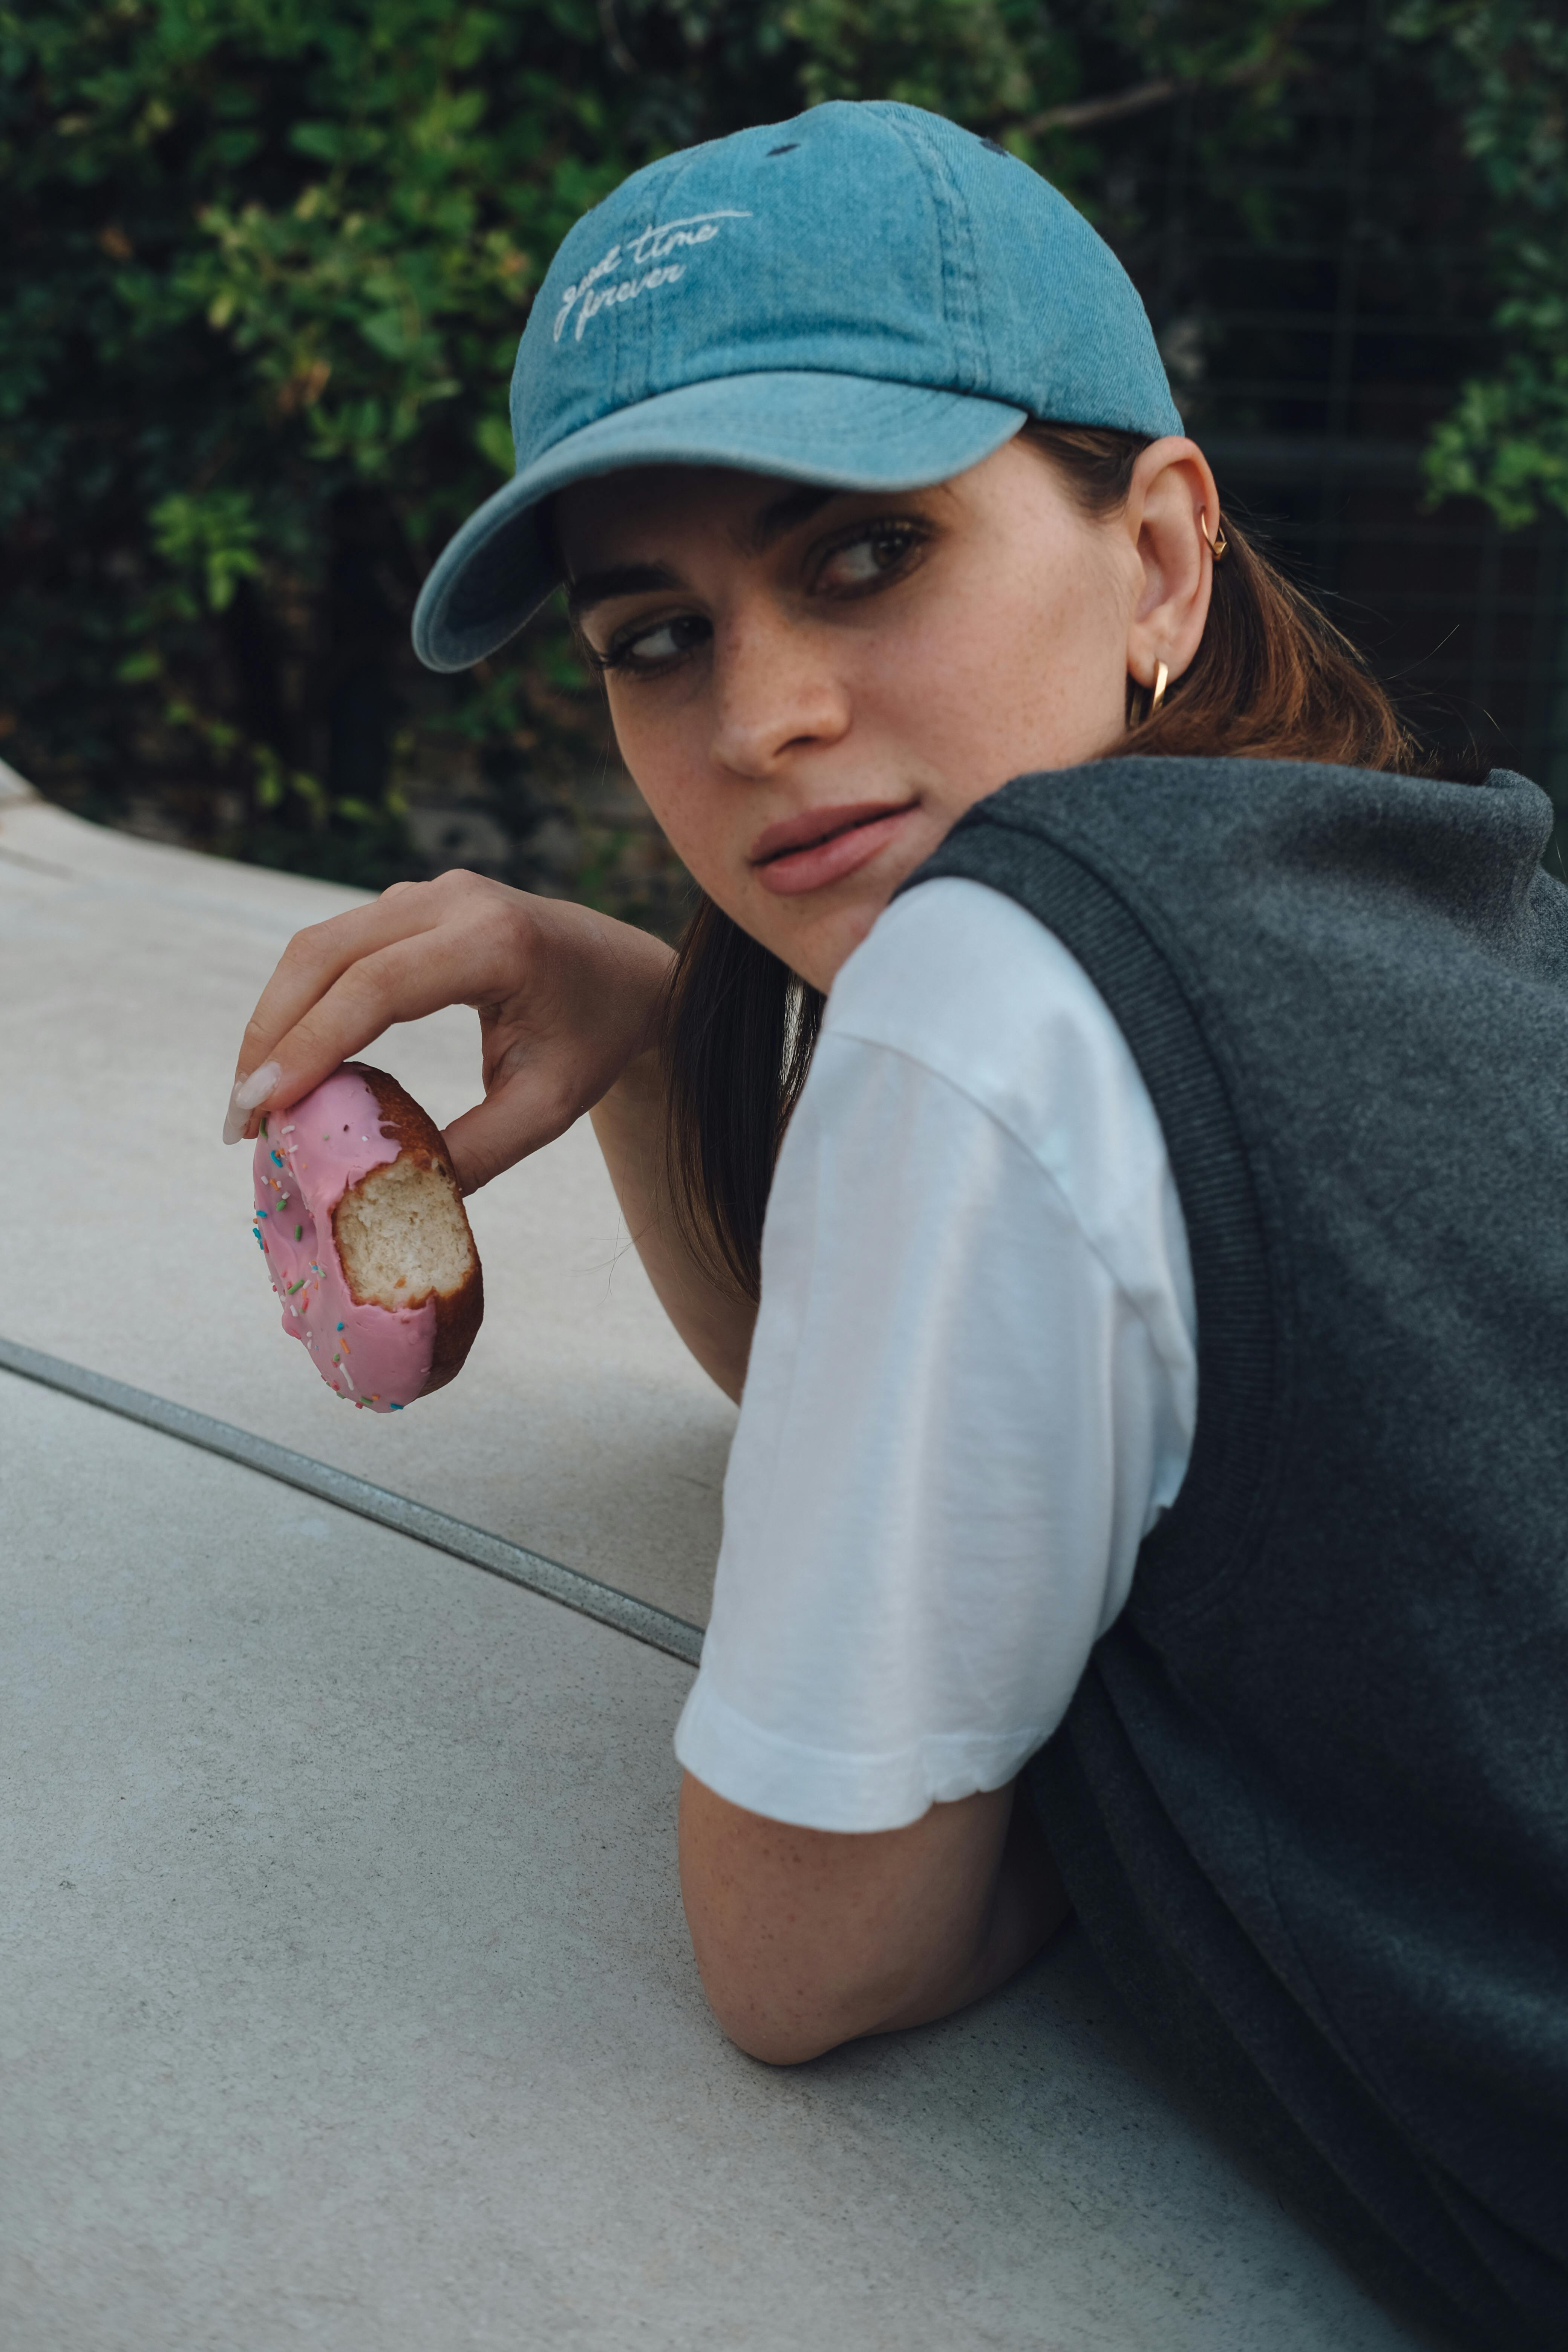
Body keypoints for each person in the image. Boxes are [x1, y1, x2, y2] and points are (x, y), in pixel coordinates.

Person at [224, 103, 1567, 2349]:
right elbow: (945, 1426)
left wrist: (1102, 1795)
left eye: (862, 559)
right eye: (657, 634)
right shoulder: (1415, 891)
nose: (764, 716)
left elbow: (809, 1950)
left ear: (1158, 550)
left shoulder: (1000, 984)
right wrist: (661, 1038)